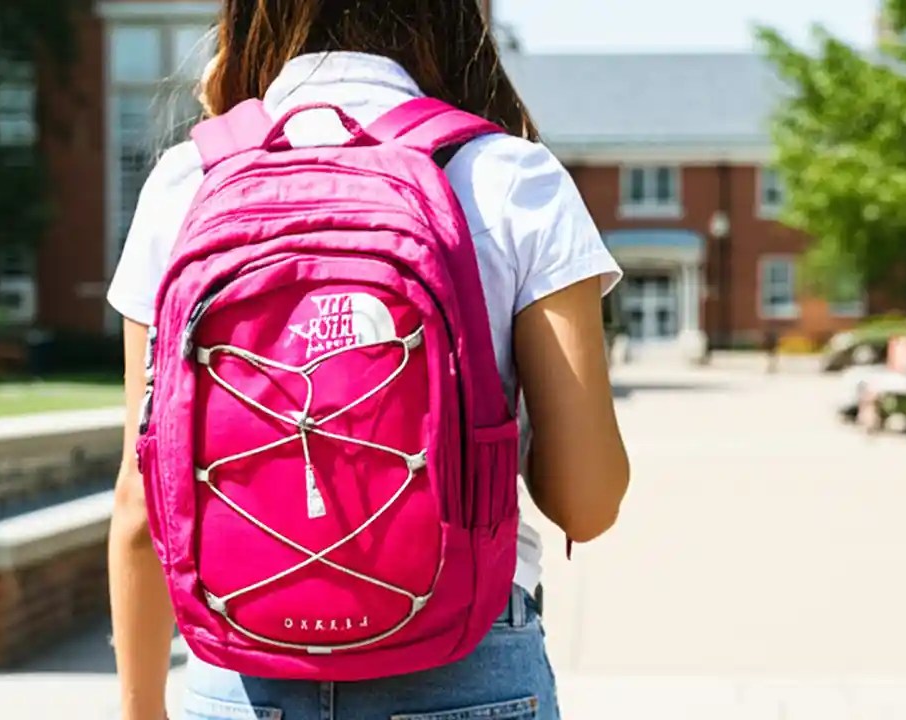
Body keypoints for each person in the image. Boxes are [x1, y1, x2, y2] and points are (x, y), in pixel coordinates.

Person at [105, 2, 631, 719]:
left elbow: (141, 499)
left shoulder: (187, 182)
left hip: (240, 674)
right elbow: (587, 502)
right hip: (465, 661)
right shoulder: (510, 177)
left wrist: (140, 709)